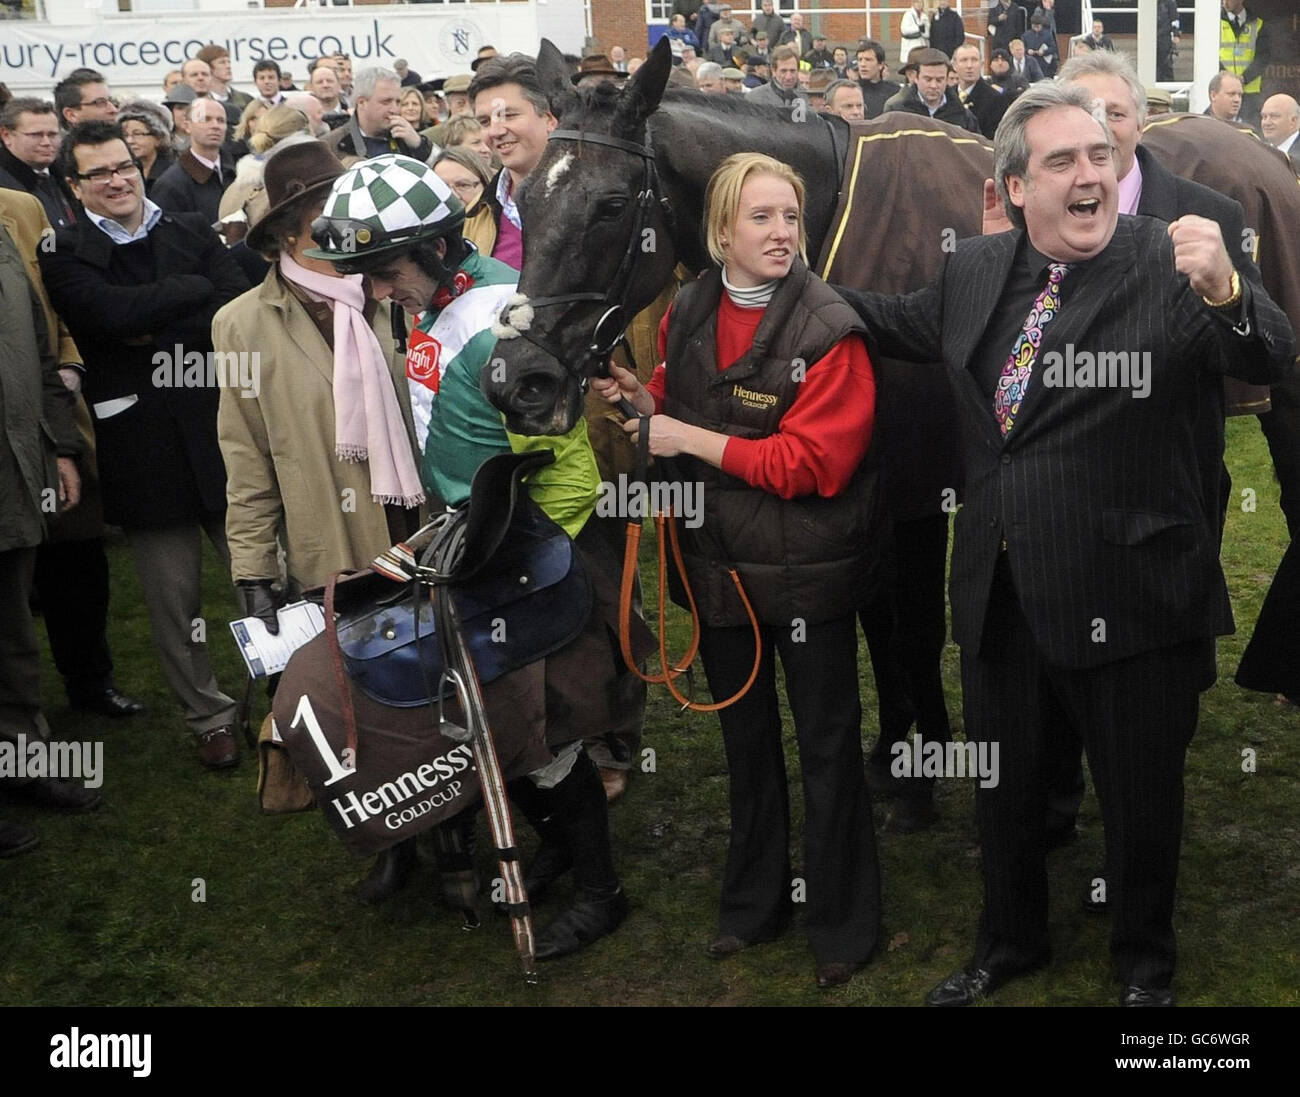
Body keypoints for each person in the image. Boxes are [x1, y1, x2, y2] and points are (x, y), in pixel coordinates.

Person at [837, 81, 1295, 1007]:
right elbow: (897, 323)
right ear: (1013, 189)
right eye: (1062, 162)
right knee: (1004, 793)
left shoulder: (1168, 264)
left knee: (1138, 800)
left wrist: (1232, 291)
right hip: (1003, 591)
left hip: (1131, 592)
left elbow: (1271, 356)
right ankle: (1009, 941)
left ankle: (1144, 964)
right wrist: (771, 283)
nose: (1091, 174)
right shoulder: (978, 269)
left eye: (1099, 156)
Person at [306, 153, 635, 957]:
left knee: (547, 732)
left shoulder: (497, 318)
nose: (379, 292)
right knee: (504, 728)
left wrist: (523, 559)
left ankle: (602, 891)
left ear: (441, 247)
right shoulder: (434, 303)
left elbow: (571, 470)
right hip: (480, 545)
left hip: (529, 556)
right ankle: (557, 849)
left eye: (384, 272)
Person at [593, 152, 883, 989]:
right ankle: (755, 904)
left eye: (790, 216)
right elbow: (677, 395)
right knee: (745, 741)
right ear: (721, 232)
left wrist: (686, 440)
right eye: (761, 217)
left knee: (828, 747)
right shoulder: (688, 304)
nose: (782, 232)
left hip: (808, 578)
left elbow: (813, 463)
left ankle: (843, 923)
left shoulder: (830, 325)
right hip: (717, 568)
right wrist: (644, 404)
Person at [40, 120, 250, 770]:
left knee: (261, 579)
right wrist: (183, 300)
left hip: (219, 428)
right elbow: (103, 316)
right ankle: (209, 716)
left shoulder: (188, 226)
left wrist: (149, 314)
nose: (117, 178)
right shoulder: (64, 251)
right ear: (74, 186)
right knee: (173, 598)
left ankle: (289, 701)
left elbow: (232, 306)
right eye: (98, 171)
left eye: (123, 164)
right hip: (139, 444)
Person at [0, 191, 102, 841]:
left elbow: (39, 354)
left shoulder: (6, 234)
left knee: (13, 635)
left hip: (16, 474)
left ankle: (21, 761)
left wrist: (62, 448)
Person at [469, 54, 559, 271]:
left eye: (508, 116)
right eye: (485, 121)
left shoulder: (602, 202)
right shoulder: (475, 214)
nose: (495, 131)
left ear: (550, 118)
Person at [325, 66, 433, 165]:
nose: (394, 109)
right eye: (386, 102)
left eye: (398, 102)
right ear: (362, 102)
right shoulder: (330, 146)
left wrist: (420, 145)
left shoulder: (408, 139)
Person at [151, 98, 235, 224]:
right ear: (187, 126)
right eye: (205, 119)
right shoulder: (170, 184)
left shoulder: (235, 173)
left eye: (221, 120)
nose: (215, 126)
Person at [0, 97, 79, 228]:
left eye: (53, 135)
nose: (46, 142)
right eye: (36, 135)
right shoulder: (5, 187)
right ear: (6, 135)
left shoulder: (66, 174)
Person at [893, 49, 981, 132]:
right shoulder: (898, 111)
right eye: (928, 79)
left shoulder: (963, 115)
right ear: (916, 78)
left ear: (947, 79)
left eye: (939, 80)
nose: (933, 86)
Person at [1219, 0, 1275, 127]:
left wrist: (1244, 78)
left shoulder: (1258, 24)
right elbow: (1208, 53)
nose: (1224, 2)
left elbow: (1263, 57)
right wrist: (1228, 79)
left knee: (1250, 131)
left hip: (1250, 92)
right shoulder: (1214, 22)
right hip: (1224, 91)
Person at [432, 146, 494, 254]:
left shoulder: (503, 230)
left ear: (486, 185)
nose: (453, 196)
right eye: (442, 187)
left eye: (463, 185)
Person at [116, 100, 175, 195]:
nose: (129, 140)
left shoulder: (172, 172)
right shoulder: (127, 170)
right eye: (125, 135)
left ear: (159, 138)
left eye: (137, 134)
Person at [953, 42, 1008, 138]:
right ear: (954, 65)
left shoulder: (995, 99)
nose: (969, 65)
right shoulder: (947, 95)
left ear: (981, 64)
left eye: (974, 60)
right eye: (964, 60)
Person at [856, 40, 894, 119]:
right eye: (860, 60)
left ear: (880, 65)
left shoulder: (894, 91)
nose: (863, 64)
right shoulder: (851, 91)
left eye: (868, 60)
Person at [1260, 94, 1300, 169]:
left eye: (1274, 116)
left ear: (1293, 121)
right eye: (1264, 117)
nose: (1267, 123)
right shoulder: (1259, 151)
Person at [1023, 14, 1058, 80]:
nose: (1036, 28)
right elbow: (1022, 48)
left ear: (1041, 25)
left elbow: (1053, 48)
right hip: (1031, 64)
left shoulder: (1048, 35)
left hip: (1045, 65)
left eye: (1038, 26)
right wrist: (1027, 51)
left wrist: (1044, 52)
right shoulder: (1026, 35)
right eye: (1034, 26)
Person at [899, 0, 931, 67]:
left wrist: (924, 31)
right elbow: (904, 30)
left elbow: (927, 34)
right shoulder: (908, 14)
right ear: (913, 3)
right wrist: (918, 28)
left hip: (921, 45)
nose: (919, 4)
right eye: (917, 2)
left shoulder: (924, 16)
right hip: (910, 46)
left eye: (921, 2)